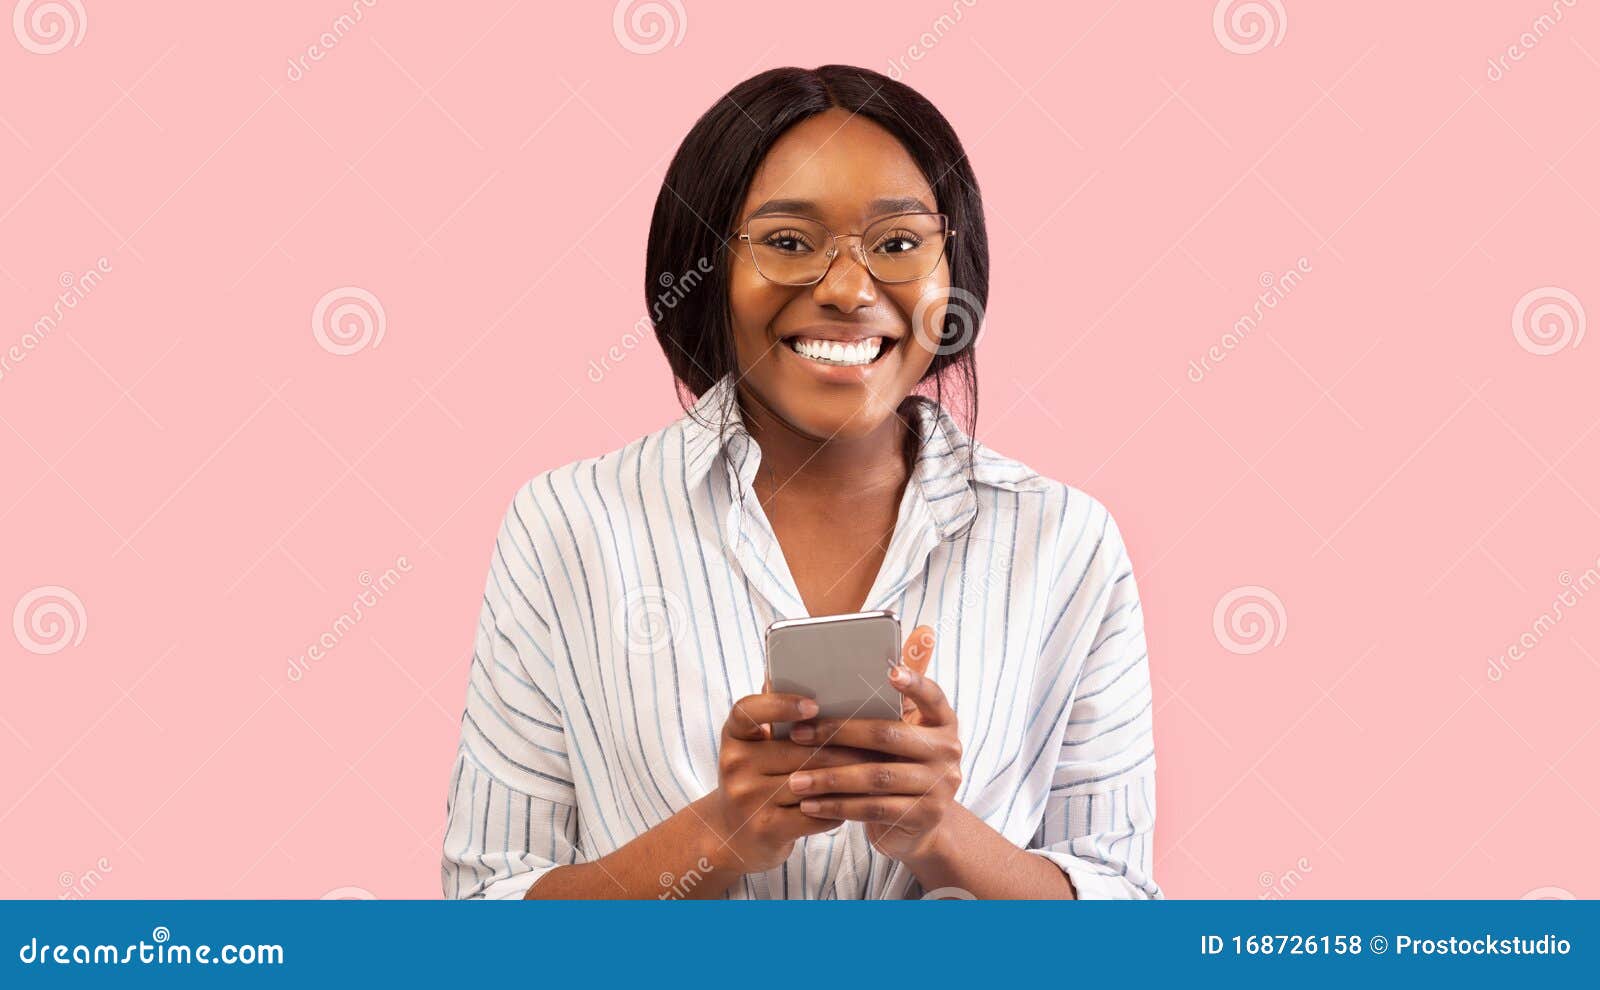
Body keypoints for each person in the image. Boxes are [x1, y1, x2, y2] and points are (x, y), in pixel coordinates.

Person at [441, 64, 1159, 900]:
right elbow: (482, 912)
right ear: (705, 268)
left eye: (897, 245)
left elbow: (1130, 919)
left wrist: (937, 832)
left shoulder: (1064, 540)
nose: (850, 291)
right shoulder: (568, 525)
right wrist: (722, 834)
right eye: (787, 243)